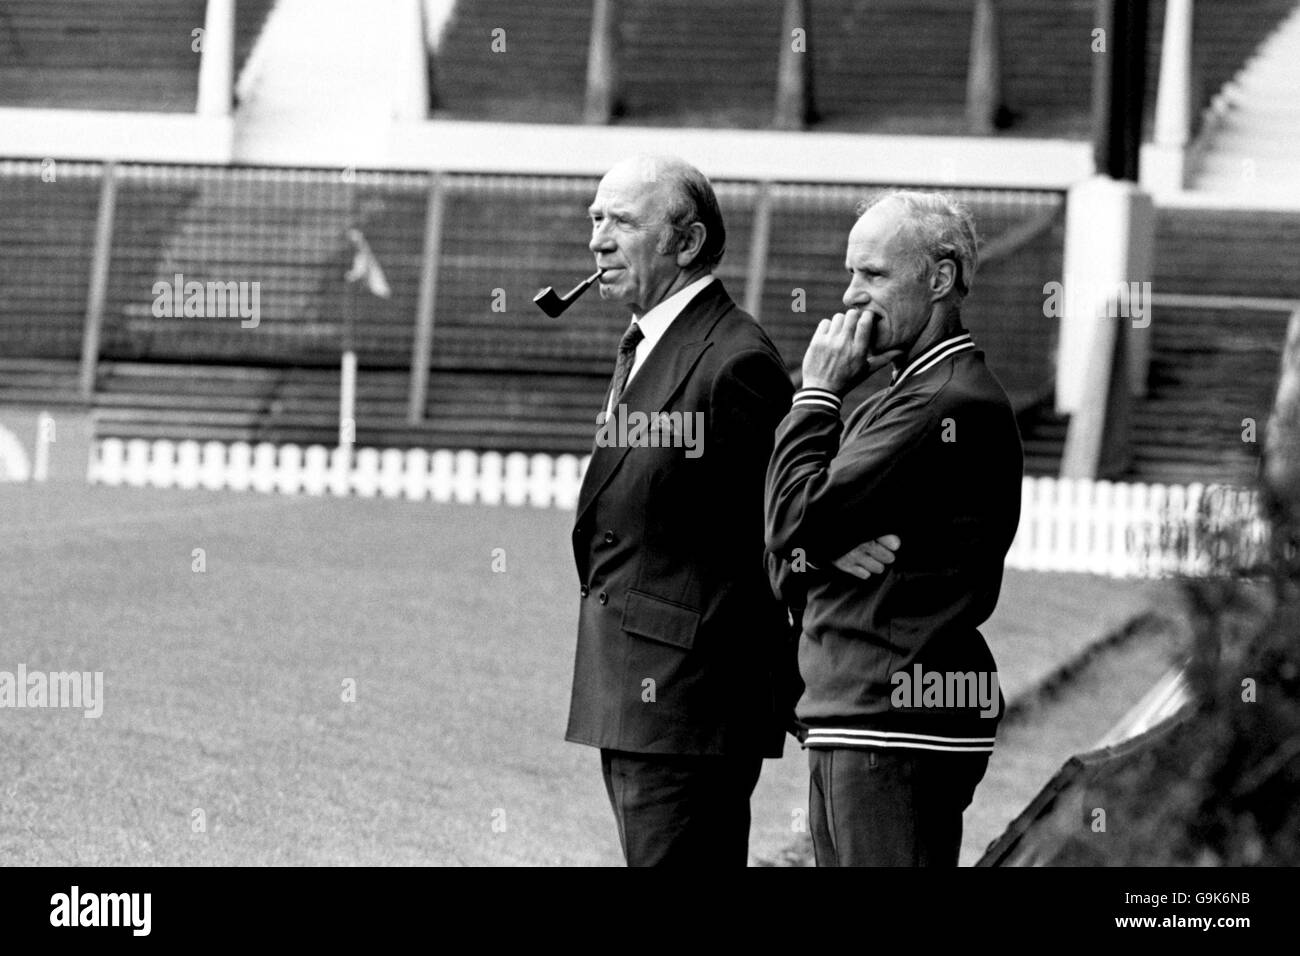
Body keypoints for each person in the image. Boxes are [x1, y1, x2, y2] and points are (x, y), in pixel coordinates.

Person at [764, 190, 1024, 866]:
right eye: (850, 273)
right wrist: (814, 555)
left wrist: (817, 393)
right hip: (861, 712)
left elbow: (792, 525)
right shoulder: (899, 397)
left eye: (873, 274)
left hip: (893, 722)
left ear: (939, 279)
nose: (850, 296)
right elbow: (787, 551)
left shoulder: (944, 402)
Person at [564, 155, 795, 866]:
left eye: (623, 223)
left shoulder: (734, 361)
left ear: (687, 243)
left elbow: (775, 530)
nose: (599, 240)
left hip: (688, 705)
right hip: (642, 693)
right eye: (595, 220)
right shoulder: (649, 341)